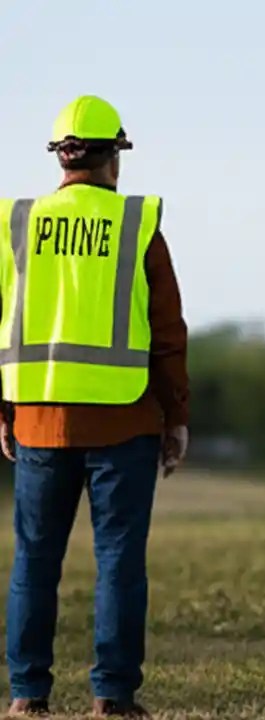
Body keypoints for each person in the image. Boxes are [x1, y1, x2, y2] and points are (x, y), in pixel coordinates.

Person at [0, 96, 190, 717]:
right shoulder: (137, 225)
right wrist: (177, 416)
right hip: (125, 421)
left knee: (34, 561)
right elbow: (166, 333)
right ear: (116, 157)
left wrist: (4, 411)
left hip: (39, 421)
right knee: (119, 565)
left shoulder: (18, 223)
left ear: (60, 156)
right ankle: (112, 696)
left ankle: (27, 695)